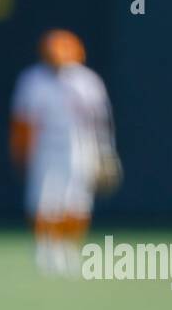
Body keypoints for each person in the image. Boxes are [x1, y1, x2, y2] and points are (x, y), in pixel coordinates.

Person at [10, 29, 122, 275]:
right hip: (45, 146)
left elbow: (99, 121)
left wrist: (105, 151)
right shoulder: (33, 80)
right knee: (43, 200)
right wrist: (21, 152)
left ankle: (68, 247)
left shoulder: (87, 81)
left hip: (80, 145)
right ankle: (45, 247)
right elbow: (23, 122)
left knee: (77, 201)